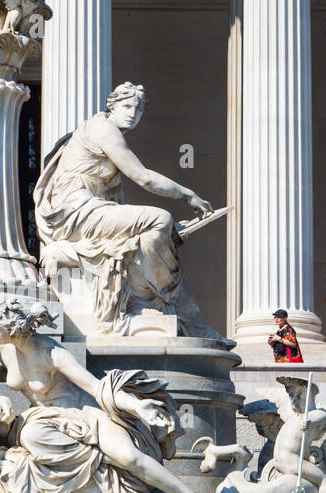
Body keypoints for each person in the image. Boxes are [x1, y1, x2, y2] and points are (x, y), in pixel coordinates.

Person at [0, 298, 229, 493]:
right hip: (43, 416)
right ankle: (99, 462)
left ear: (13, 330)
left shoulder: (53, 354)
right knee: (32, 434)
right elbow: (11, 376)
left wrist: (137, 405)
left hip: (82, 413)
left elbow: (96, 387)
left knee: (129, 458)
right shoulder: (6, 348)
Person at [34, 82, 224, 340]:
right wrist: (187, 194)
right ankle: (153, 301)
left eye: (138, 109)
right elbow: (143, 177)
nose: (132, 113)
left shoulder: (103, 129)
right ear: (111, 106)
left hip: (88, 211)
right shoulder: (104, 129)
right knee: (159, 219)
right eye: (126, 106)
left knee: (157, 233)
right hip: (76, 214)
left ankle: (181, 315)